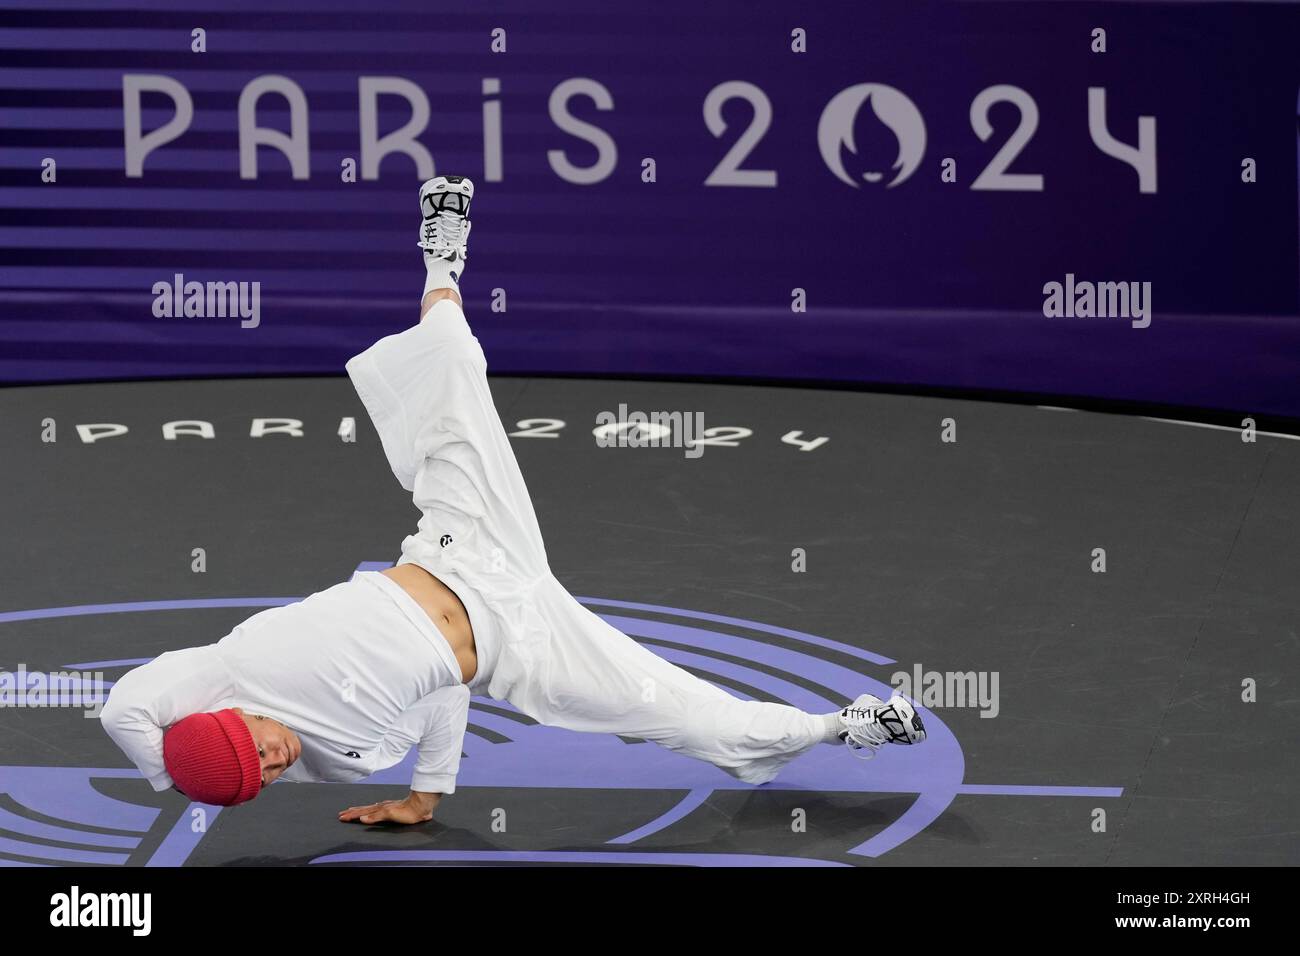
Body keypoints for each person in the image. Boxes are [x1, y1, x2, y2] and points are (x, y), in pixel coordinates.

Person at [99, 176, 927, 825]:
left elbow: (122, 709)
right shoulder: (339, 759)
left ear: (221, 723)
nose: (278, 762)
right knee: (694, 722)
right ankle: (841, 728)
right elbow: (443, 691)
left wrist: (171, 774)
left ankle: (441, 256)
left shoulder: (218, 673)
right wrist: (427, 797)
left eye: (256, 754)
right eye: (268, 779)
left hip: (462, 544)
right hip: (518, 644)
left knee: (458, 373)